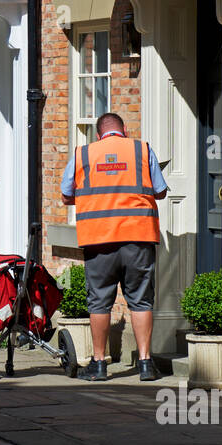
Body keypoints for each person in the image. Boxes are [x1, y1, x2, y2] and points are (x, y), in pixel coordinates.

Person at [61, 112, 168, 382]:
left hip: (98, 241)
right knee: (141, 300)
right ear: (124, 130)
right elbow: (161, 190)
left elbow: (66, 195)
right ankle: (145, 363)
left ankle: (98, 364)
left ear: (99, 134)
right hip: (138, 237)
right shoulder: (141, 149)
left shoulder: (83, 154)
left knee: (99, 302)